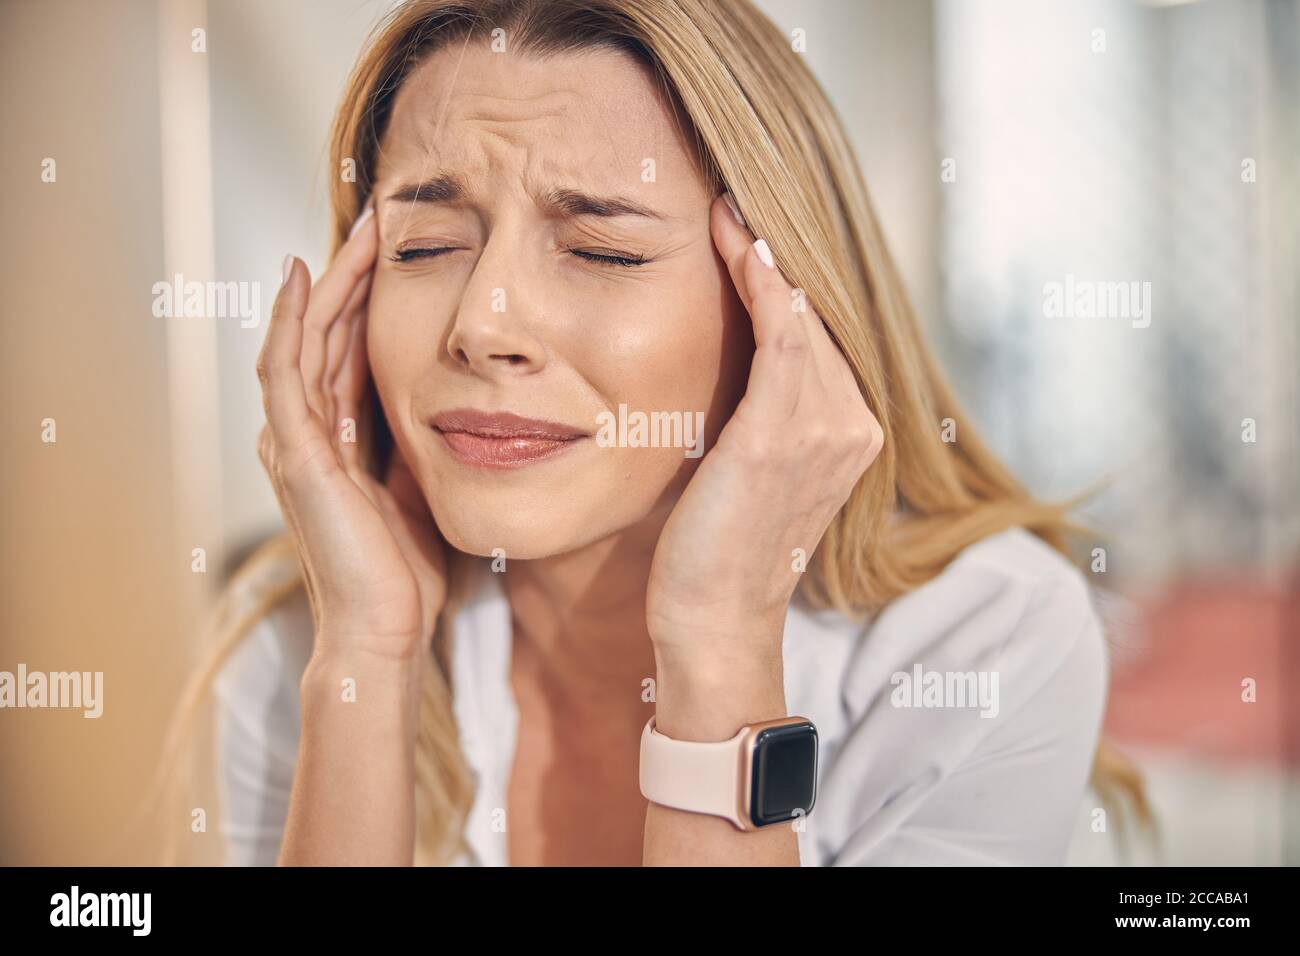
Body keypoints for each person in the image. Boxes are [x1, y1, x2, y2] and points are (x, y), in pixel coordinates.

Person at [199, 0, 1131, 866]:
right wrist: (365, 657)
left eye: (604, 251)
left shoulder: (982, 642)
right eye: (427, 246)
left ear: (784, 309)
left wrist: (719, 644)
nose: (482, 326)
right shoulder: (302, 651)